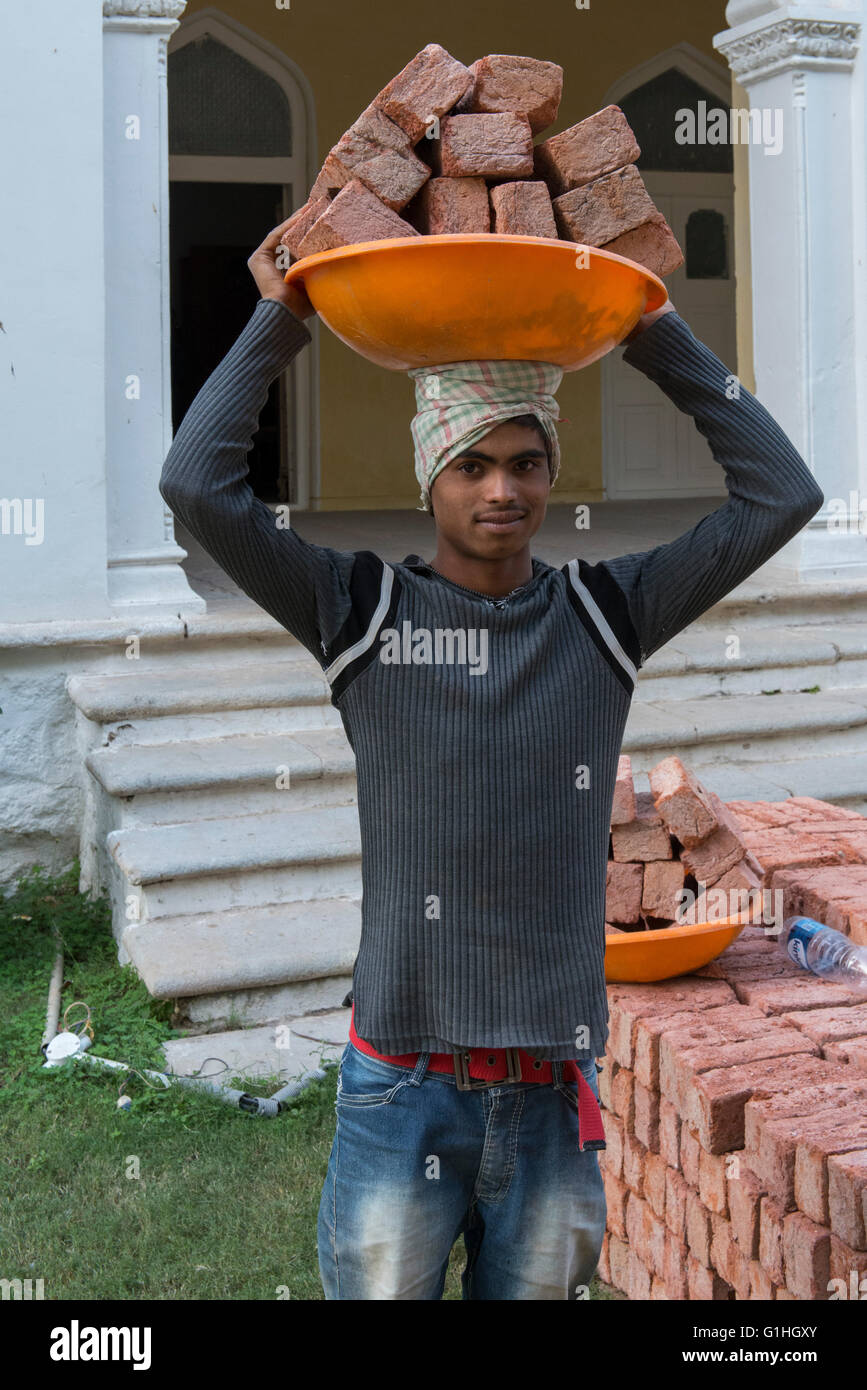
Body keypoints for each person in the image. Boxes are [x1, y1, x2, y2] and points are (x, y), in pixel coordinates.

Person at [160, 217, 825, 1301]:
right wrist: (282, 318)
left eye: (525, 463)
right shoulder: (361, 613)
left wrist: (656, 329)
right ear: (433, 475)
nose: (501, 490)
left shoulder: (607, 615)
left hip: (554, 1095)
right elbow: (198, 484)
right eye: (471, 464)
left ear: (552, 474)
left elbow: (782, 496)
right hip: (402, 1089)